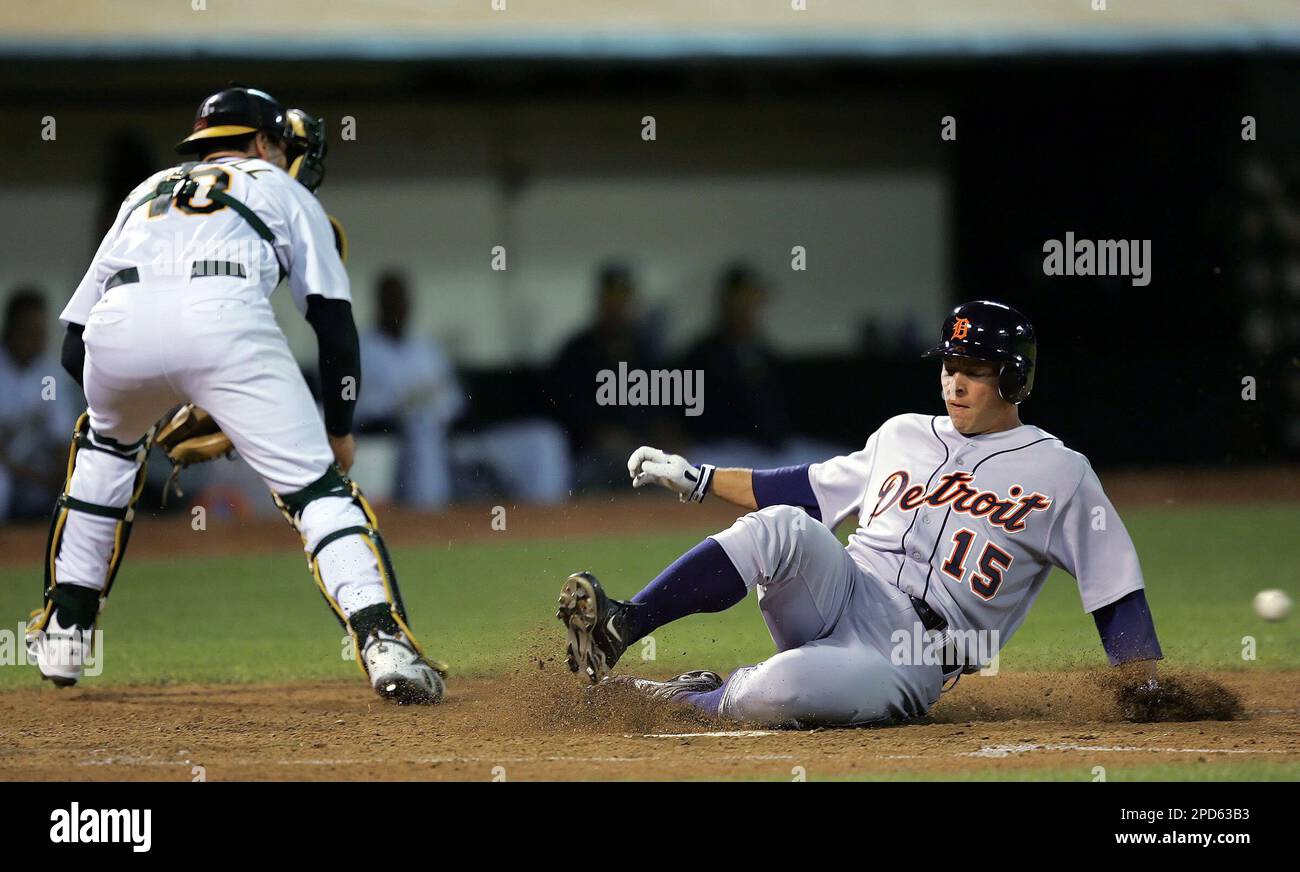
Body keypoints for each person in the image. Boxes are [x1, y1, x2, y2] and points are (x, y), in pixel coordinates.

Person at [24, 86, 445, 704]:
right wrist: (339, 428)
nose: (290, 158)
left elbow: (72, 347)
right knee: (317, 492)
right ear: (260, 143)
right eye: (283, 145)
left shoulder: (147, 191)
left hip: (115, 329)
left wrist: (147, 404)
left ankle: (64, 632)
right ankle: (385, 645)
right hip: (224, 319)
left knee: (104, 451)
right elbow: (332, 323)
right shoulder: (285, 189)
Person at [557, 300, 1162, 727]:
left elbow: (1113, 585)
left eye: (974, 372)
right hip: (842, 589)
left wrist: (1144, 685)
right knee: (787, 526)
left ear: (1015, 379)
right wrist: (698, 479)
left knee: (783, 690)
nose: (954, 384)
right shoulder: (902, 434)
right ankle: (621, 627)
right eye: (949, 368)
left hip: (913, 656)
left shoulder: (1061, 472)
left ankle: (670, 699)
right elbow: (807, 488)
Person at [355, 271, 569, 506]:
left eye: (402, 298)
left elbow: (455, 402)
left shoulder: (426, 347)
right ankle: (427, 528)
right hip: (403, 446)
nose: (398, 305)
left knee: (544, 438)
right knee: (423, 429)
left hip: (454, 441)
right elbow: (363, 411)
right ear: (379, 303)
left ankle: (548, 524)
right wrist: (407, 404)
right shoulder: (362, 349)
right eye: (391, 299)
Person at [679, 263, 844, 468]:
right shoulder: (702, 355)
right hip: (725, 451)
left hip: (770, 452)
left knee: (838, 464)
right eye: (744, 300)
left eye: (755, 300)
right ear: (727, 302)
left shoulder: (764, 353)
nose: (751, 308)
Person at [549, 263, 669, 490]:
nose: (619, 306)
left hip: (643, 452)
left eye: (625, 297)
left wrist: (667, 437)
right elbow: (573, 418)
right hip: (591, 456)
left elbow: (661, 414)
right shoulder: (578, 352)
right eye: (613, 297)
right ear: (601, 300)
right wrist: (610, 439)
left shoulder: (644, 351)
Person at [0, 289, 82, 521]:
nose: (38, 340)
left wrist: (60, 475)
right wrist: (31, 476)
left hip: (37, 474)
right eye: (31, 332)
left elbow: (60, 436)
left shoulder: (49, 376)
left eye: (41, 332)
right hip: (9, 472)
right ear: (11, 330)